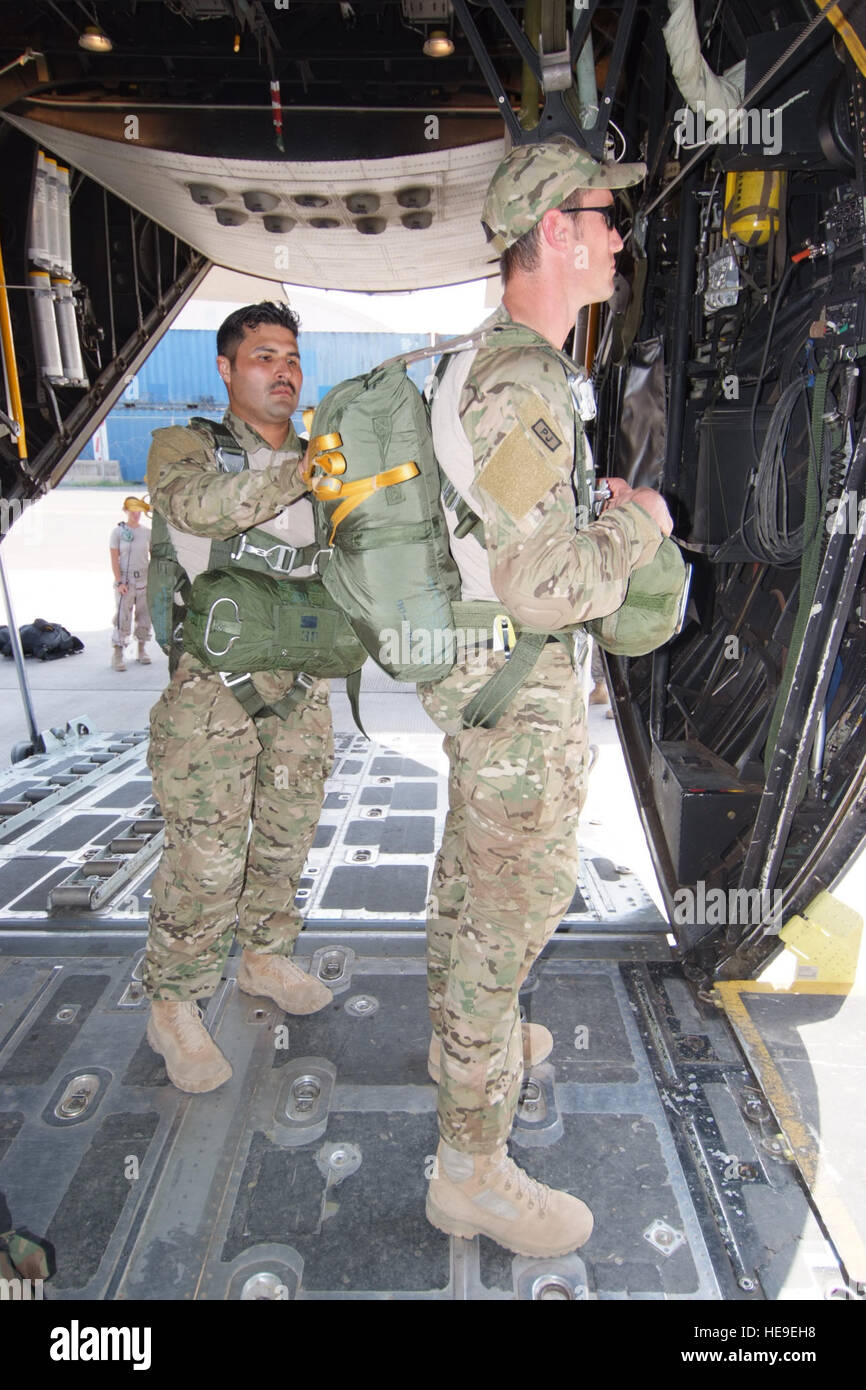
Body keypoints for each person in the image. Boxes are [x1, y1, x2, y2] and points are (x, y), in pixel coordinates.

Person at [420, 137, 674, 1257]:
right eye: (605, 218)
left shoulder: (505, 367)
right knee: (506, 917)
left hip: (493, 689)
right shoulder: (519, 379)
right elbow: (541, 584)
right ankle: (469, 1171)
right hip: (518, 700)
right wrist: (640, 525)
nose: (620, 237)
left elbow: (515, 538)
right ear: (555, 231)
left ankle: (463, 1046)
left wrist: (588, 515)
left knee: (471, 893)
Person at [142, 301, 333, 1093]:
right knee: (207, 855)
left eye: (291, 357)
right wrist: (301, 474)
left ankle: (264, 955)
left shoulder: (328, 456)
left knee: (286, 837)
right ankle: (173, 1003)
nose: (283, 371)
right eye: (263, 356)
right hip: (213, 690)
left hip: (301, 681)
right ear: (225, 369)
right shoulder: (184, 446)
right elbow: (198, 506)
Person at [109, 496, 152, 671]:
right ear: (125, 511)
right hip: (126, 581)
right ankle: (118, 654)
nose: (136, 514)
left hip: (144, 579)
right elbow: (114, 559)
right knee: (122, 617)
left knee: (144, 616)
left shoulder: (147, 532)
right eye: (132, 510)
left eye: (138, 510)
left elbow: (153, 555)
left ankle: (141, 650)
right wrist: (119, 582)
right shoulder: (118, 532)